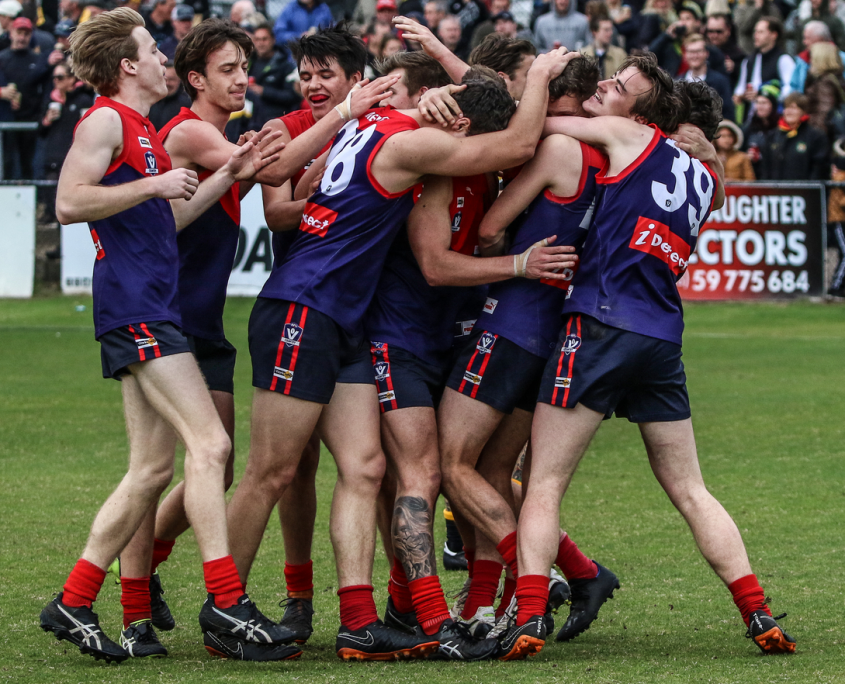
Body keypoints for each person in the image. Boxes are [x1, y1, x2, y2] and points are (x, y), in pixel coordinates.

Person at [226, 44, 574, 662]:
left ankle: (361, 623)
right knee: (272, 470)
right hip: (306, 305)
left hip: (346, 319)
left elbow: (302, 188)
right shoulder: (405, 138)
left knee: (365, 469)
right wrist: (541, 75)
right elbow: (518, 146)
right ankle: (224, 604)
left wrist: (367, 115)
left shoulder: (372, 124)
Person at [502, 54, 796, 659]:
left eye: (619, 87)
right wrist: (699, 143)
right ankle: (758, 610)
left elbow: (531, 128)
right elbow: (704, 171)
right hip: (661, 337)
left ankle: (529, 616)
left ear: (642, 113)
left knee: (544, 482)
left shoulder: (627, 134)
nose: (605, 88)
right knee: (691, 488)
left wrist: (528, 84)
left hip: (599, 323)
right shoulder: (705, 178)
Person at [37, 7, 293, 664]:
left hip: (147, 310)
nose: (161, 59)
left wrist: (225, 176)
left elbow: (169, 222)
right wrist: (153, 182)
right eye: (152, 50)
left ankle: (75, 599)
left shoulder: (143, 129)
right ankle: (227, 601)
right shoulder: (105, 119)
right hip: (138, 310)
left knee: (152, 470)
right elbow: (68, 202)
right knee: (210, 446)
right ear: (128, 65)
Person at [434, 55, 605, 649]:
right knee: (492, 474)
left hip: (510, 321)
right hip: (555, 330)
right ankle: (484, 604)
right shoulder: (613, 155)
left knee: (449, 462)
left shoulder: (558, 150)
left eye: (551, 107)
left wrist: (506, 236)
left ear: (575, 104)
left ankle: (533, 577)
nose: (541, 122)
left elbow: (489, 229)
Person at [38, 60, 94, 223]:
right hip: (53, 157)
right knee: (52, 203)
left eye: (60, 77)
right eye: (54, 77)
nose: (56, 81)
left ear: (71, 79)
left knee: (70, 205)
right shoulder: (50, 101)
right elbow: (40, 131)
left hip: (74, 158)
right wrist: (46, 120)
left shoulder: (83, 99)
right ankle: (56, 245)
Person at [0, 17, 51, 179]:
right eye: (19, 33)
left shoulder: (38, 59)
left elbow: (46, 87)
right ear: (11, 33)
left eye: (26, 34)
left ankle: (34, 200)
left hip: (30, 118)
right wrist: (1, 92)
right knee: (6, 162)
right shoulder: (2, 58)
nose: (22, 37)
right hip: (6, 120)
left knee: (28, 163)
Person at [759, 91, 830, 179]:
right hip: (776, 191)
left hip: (804, 191)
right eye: (787, 107)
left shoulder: (816, 136)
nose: (789, 111)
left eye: (794, 108)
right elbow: (765, 170)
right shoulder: (772, 136)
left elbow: (819, 170)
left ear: (803, 112)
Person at [245, 23, 300, 126]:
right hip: (250, 120)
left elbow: (293, 96)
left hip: (276, 121)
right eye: (257, 40)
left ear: (273, 40)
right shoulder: (249, 63)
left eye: (264, 39)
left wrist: (263, 91)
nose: (260, 43)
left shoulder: (285, 66)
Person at [733, 17, 795, 107]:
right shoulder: (748, 61)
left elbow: (790, 88)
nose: (755, 35)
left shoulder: (783, 59)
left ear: (774, 35)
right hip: (751, 116)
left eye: (761, 32)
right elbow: (739, 89)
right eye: (755, 31)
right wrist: (741, 96)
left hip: (774, 114)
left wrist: (763, 95)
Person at [678, 33, 734, 120]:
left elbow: (728, 113)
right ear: (685, 55)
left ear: (706, 53)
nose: (695, 56)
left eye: (698, 51)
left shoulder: (720, 81)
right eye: (691, 52)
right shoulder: (677, 82)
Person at [791, 20, 845, 93]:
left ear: (821, 38)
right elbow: (793, 86)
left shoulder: (841, 58)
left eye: (807, 38)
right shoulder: (802, 59)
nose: (804, 42)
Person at [740, 82, 779, 175]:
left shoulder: (780, 127)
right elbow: (739, 151)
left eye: (764, 103)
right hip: (753, 173)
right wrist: (746, 156)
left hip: (774, 174)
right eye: (757, 102)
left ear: (772, 105)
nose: (760, 106)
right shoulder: (748, 127)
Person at [148, 60, 191, 130]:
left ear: (179, 81)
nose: (167, 83)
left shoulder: (188, 104)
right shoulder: (149, 102)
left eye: (171, 79)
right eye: (164, 79)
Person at [706, 14, 746, 88]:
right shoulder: (701, 50)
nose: (714, 35)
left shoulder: (738, 55)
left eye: (719, 31)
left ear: (728, 31)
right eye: (710, 31)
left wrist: (735, 68)